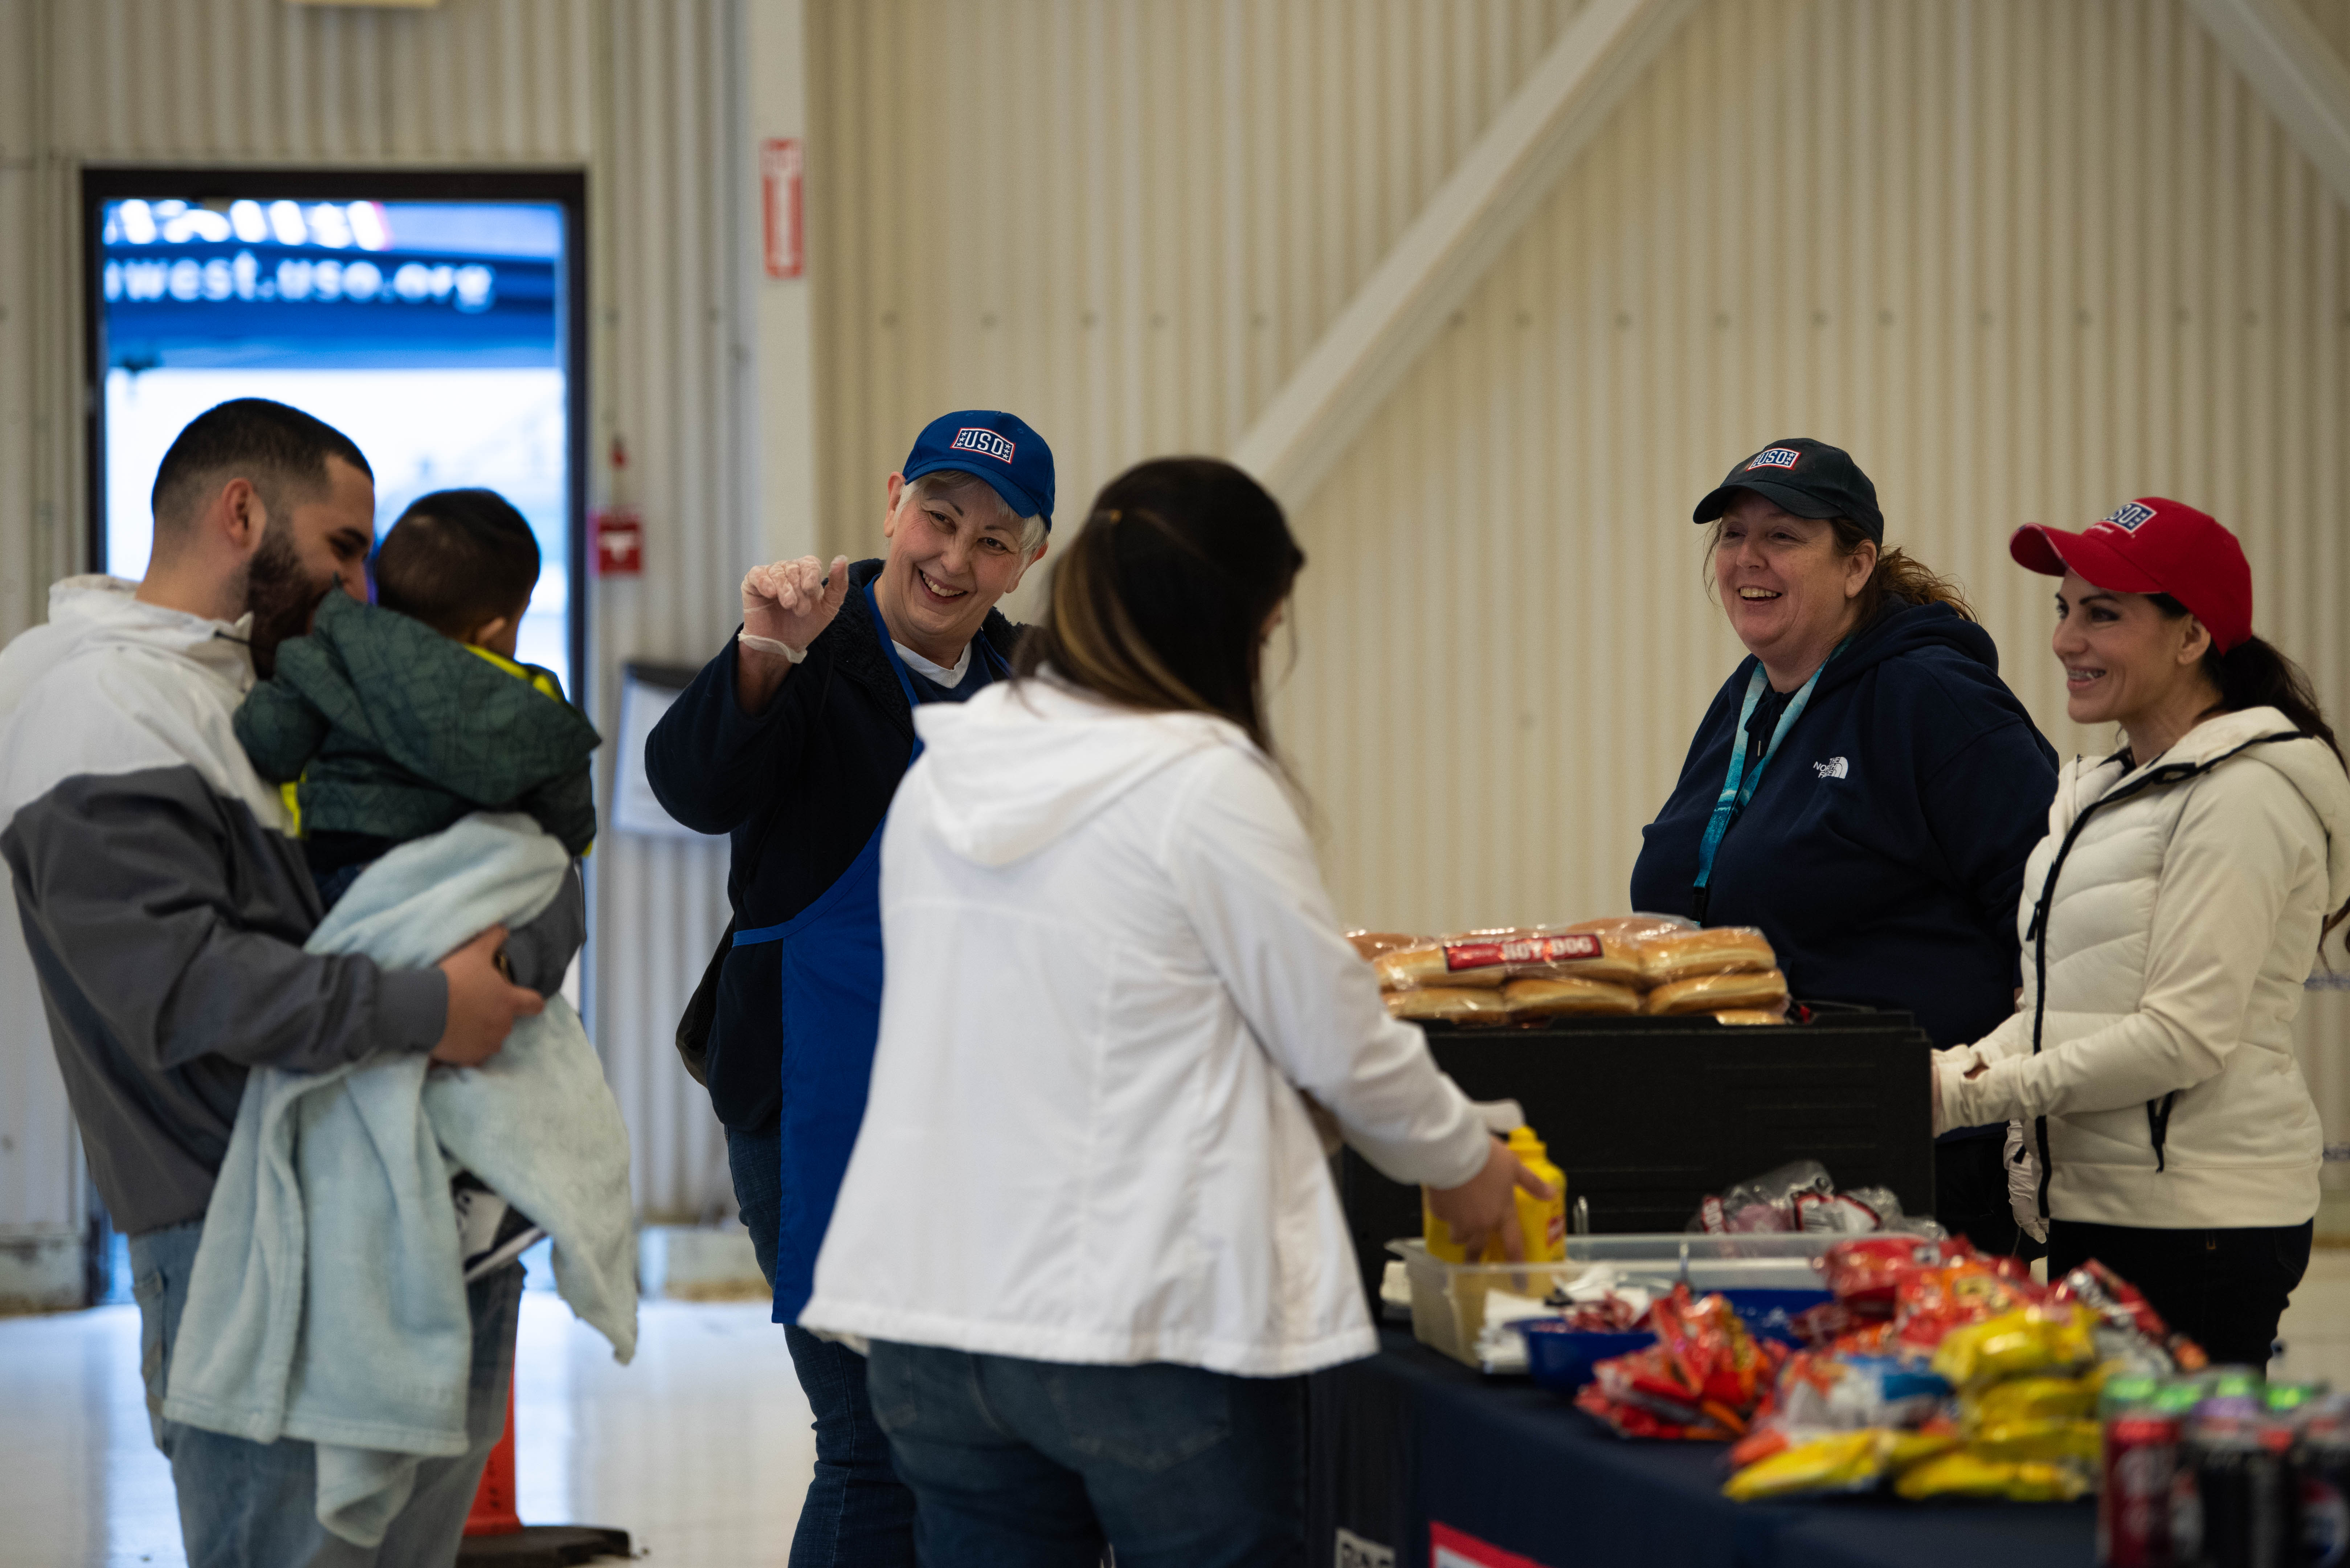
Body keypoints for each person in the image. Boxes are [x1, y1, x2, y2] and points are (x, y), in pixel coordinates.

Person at [800, 457, 1549, 1567]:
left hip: (933, 1321)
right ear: (1225, 626)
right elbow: (1333, 1033)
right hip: (1143, 1325)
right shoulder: (1202, 784)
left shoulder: (948, 773)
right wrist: (1467, 1166)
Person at [0, 398, 559, 1568]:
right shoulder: (100, 699)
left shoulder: (246, 695)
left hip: (370, 1225)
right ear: (242, 512)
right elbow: (177, 985)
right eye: (345, 547)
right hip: (247, 1243)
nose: (364, 589)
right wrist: (430, 1011)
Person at [644, 410, 1055, 1566]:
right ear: (892, 503)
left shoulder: (1028, 691)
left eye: (992, 539)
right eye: (938, 517)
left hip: (971, 1108)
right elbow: (690, 788)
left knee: (954, 1434)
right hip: (807, 1094)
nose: (953, 558)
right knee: (869, 1436)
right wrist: (762, 651)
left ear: (1029, 558)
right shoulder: (813, 646)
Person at [1933, 498, 2339, 1367]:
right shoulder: (2106, 790)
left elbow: (2181, 1036)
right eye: (2065, 609)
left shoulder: (2244, 796)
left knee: (2174, 1495)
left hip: (2201, 1223)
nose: (2067, 640)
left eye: (2103, 613)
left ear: (2191, 636)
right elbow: (2069, 1006)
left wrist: (1969, 1098)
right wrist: (1955, 1066)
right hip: (2100, 1203)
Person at [1628, 438, 2059, 1254]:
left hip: (1916, 1166)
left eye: (1783, 536)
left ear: (1858, 565)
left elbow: (2054, 909)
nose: (1746, 558)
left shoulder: (1930, 697)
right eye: (1732, 535)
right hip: (1763, 1150)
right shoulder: (1748, 702)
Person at [235, 486, 598, 913]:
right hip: (472, 891)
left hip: (341, 877)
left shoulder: (333, 654)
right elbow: (570, 826)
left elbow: (268, 741)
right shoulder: (534, 702)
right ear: (491, 629)